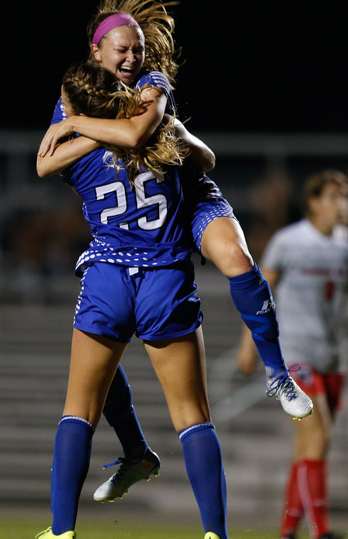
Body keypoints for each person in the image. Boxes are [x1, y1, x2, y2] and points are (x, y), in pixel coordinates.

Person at [37, 0, 312, 505]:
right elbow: (45, 164)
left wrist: (82, 127)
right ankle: (137, 451)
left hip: (184, 197)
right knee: (103, 354)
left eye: (138, 48)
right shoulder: (78, 95)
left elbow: (135, 136)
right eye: (124, 49)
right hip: (135, 226)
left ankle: (279, 375)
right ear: (97, 50)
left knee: (235, 256)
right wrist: (86, 127)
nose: (134, 57)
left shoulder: (150, 84)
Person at [34, 59, 228, 539]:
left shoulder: (74, 154)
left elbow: (45, 161)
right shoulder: (162, 136)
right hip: (165, 277)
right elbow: (203, 161)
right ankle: (214, 534)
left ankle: (62, 532)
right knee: (192, 416)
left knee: (78, 407)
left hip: (108, 278)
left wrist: (75, 122)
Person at [236, 169, 348, 539]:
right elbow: (259, 295)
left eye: (346, 197)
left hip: (333, 356)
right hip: (295, 355)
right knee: (317, 437)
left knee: (311, 447)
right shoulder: (288, 242)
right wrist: (248, 345)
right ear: (314, 203)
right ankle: (321, 532)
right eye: (334, 197)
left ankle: (287, 532)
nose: (342, 205)